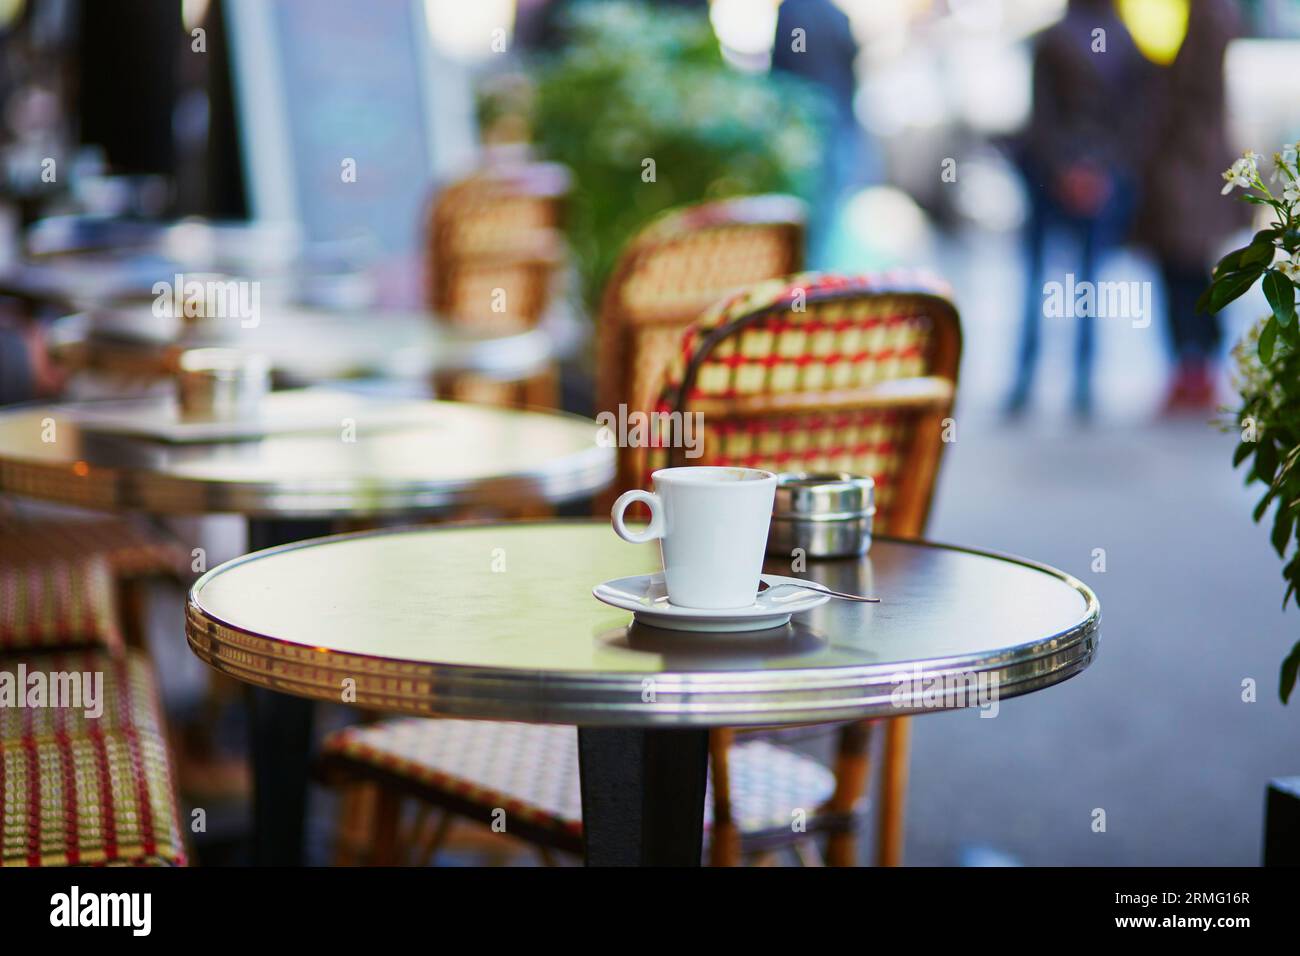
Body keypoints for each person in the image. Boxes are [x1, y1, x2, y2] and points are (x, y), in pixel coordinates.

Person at [1008, 0, 1152, 417]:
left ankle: (1063, 381)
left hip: (1072, 174)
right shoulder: (1115, 39)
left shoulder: (1078, 38)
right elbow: (1049, 116)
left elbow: (1133, 119)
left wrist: (1087, 169)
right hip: (1066, 175)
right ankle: (1062, 382)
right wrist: (1081, 170)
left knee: (1063, 282)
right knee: (1072, 283)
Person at [1135, 0, 1246, 412]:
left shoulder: (1206, 20)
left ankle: (1194, 370)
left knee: (1185, 271)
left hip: (1186, 172)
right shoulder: (1208, 17)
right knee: (1187, 270)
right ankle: (1193, 369)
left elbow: (1183, 98)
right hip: (1187, 171)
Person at [770, 0, 864, 267]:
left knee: (809, 215)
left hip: (806, 130)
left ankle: (809, 282)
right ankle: (818, 283)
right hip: (837, 124)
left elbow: (779, 72)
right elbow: (853, 67)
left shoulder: (791, 11)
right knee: (829, 215)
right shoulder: (835, 15)